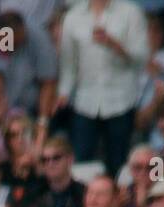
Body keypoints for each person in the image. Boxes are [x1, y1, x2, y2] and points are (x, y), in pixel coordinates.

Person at [57, 0, 150, 176]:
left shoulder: (131, 13)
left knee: (119, 162)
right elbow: (69, 63)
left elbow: (141, 57)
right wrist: (64, 92)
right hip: (84, 100)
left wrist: (115, 45)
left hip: (121, 99)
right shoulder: (72, 17)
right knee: (81, 160)